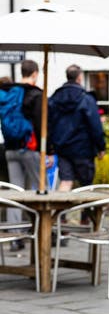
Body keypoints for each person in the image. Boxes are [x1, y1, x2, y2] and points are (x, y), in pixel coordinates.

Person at [0, 60, 43, 249]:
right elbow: (41, 124)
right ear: (35, 73)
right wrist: (48, 150)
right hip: (30, 148)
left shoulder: (9, 92)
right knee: (41, 189)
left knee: (14, 192)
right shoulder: (34, 94)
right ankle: (43, 231)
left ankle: (14, 236)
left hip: (10, 148)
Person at [49, 64, 106, 190]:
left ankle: (61, 210)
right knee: (85, 186)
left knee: (66, 182)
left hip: (62, 148)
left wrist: (50, 149)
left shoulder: (54, 98)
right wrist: (101, 147)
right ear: (79, 78)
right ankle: (85, 210)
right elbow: (95, 126)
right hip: (83, 149)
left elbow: (49, 124)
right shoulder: (86, 99)